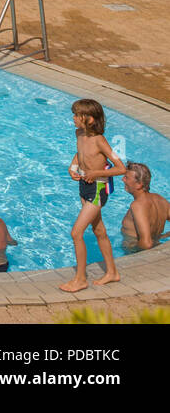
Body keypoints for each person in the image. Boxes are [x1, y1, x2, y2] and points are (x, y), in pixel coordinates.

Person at [60, 99, 126, 291]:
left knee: (76, 232)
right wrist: (73, 167)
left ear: (88, 119)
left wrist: (96, 173)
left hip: (97, 188)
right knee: (99, 231)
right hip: (83, 185)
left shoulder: (100, 141)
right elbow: (79, 153)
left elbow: (120, 168)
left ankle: (80, 279)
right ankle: (112, 272)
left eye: (76, 115)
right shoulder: (78, 133)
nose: (73, 118)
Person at [120, 162, 169, 251]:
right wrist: (162, 237)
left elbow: (146, 244)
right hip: (155, 245)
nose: (122, 179)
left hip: (135, 253)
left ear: (139, 184)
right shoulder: (161, 200)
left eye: (126, 177)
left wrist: (134, 252)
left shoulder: (137, 205)